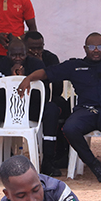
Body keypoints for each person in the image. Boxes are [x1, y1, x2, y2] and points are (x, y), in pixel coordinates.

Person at [19, 33, 101, 187]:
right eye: (92, 47)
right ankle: (95, 166)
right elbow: (47, 73)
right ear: (85, 48)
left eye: (100, 47)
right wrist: (28, 78)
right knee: (69, 128)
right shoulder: (74, 66)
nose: (96, 50)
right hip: (86, 111)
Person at [0, 39, 61, 176]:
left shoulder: (36, 65)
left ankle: (48, 161)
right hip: (6, 109)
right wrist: (12, 80)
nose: (17, 58)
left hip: (31, 109)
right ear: (7, 53)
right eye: (13, 55)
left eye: (21, 55)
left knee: (51, 109)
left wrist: (25, 80)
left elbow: (44, 96)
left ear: (26, 53)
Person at [24, 30, 69, 167]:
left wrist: (41, 68)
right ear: (24, 46)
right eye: (32, 48)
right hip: (22, 103)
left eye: (40, 47)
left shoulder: (50, 58)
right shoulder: (18, 58)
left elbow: (58, 90)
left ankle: (60, 155)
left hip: (45, 101)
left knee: (62, 106)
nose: (37, 51)